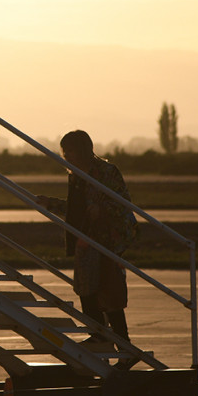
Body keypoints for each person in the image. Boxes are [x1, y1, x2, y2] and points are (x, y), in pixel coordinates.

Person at [38, 130, 136, 358]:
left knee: (109, 292)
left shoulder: (107, 172)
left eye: (70, 151)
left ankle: (123, 345)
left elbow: (122, 205)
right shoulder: (76, 175)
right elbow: (76, 210)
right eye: (64, 152)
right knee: (85, 288)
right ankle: (100, 335)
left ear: (83, 150)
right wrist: (50, 203)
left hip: (108, 239)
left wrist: (101, 211)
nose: (66, 156)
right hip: (87, 240)